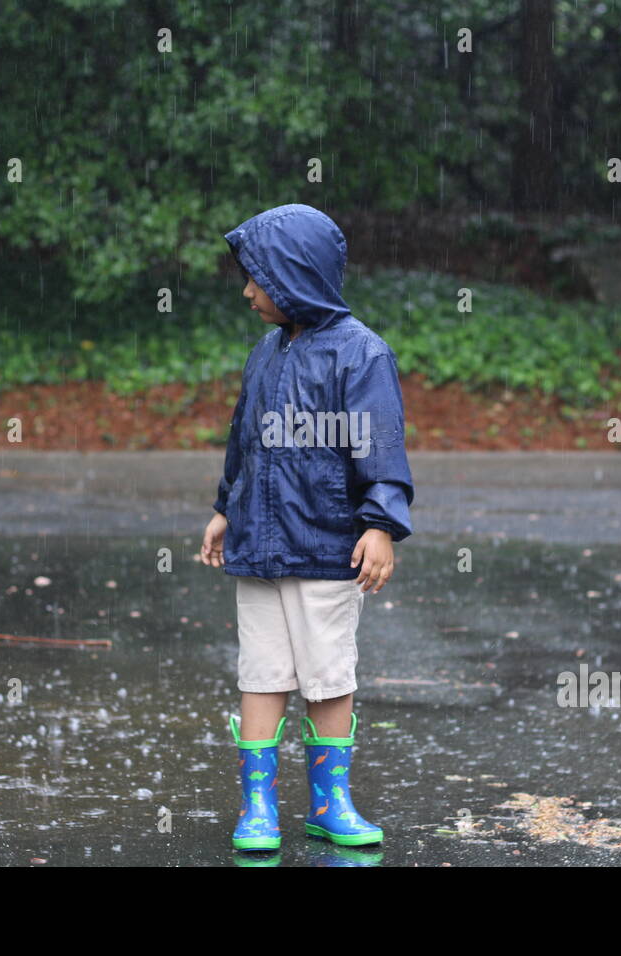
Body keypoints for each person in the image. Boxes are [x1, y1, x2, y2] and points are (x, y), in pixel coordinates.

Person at [200, 203, 414, 851]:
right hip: (260, 546)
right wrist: (223, 507)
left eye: (257, 277)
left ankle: (331, 801)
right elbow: (244, 440)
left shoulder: (361, 356)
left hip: (327, 548)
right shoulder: (265, 352)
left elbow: (381, 448)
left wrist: (379, 524)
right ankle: (258, 807)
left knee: (327, 675)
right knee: (261, 672)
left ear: (293, 275)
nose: (247, 291)